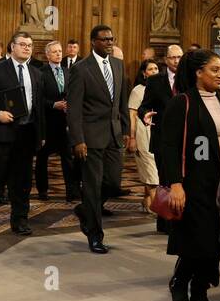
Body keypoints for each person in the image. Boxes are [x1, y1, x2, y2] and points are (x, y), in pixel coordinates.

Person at [159, 48, 220, 301]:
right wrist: (175, 183)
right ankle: (180, 282)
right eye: (215, 70)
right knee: (201, 236)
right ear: (198, 72)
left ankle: (200, 290)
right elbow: (169, 146)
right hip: (196, 183)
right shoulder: (183, 102)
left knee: (218, 238)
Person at [0, 32, 47, 235]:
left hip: (27, 132)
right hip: (1, 131)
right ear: (12, 47)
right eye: (23, 44)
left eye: (30, 45)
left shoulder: (37, 73)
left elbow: (39, 107)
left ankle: (20, 220)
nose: (27, 48)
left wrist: (41, 134)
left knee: (23, 179)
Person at [67, 25, 130, 253]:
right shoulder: (81, 69)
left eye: (112, 39)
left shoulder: (118, 65)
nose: (109, 43)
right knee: (92, 187)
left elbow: (121, 102)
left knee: (113, 183)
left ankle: (86, 210)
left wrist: (126, 129)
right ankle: (95, 235)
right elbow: (73, 108)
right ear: (93, 41)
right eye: (104, 40)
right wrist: (77, 139)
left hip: (114, 135)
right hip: (90, 137)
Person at [138, 44, 182, 232]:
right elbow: (144, 106)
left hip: (184, 139)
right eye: (173, 58)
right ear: (166, 60)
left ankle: (180, 219)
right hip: (162, 139)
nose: (176, 61)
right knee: (164, 181)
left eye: (180, 57)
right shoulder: (155, 81)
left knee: (181, 181)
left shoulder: (189, 80)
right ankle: (165, 222)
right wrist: (146, 114)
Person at [37, 41, 80, 203]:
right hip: (48, 122)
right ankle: (43, 190)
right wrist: (53, 104)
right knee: (42, 158)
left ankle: (71, 190)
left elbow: (75, 92)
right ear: (47, 55)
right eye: (54, 52)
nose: (58, 54)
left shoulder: (68, 71)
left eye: (60, 51)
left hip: (66, 123)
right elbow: (38, 99)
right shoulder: (41, 73)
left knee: (68, 158)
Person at [127, 58, 162, 207]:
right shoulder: (138, 90)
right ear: (144, 73)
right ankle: (155, 206)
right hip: (142, 133)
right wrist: (132, 137)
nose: (154, 71)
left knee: (153, 169)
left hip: (156, 132)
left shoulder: (160, 87)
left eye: (156, 69)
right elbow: (132, 115)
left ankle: (147, 200)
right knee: (150, 170)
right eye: (150, 69)